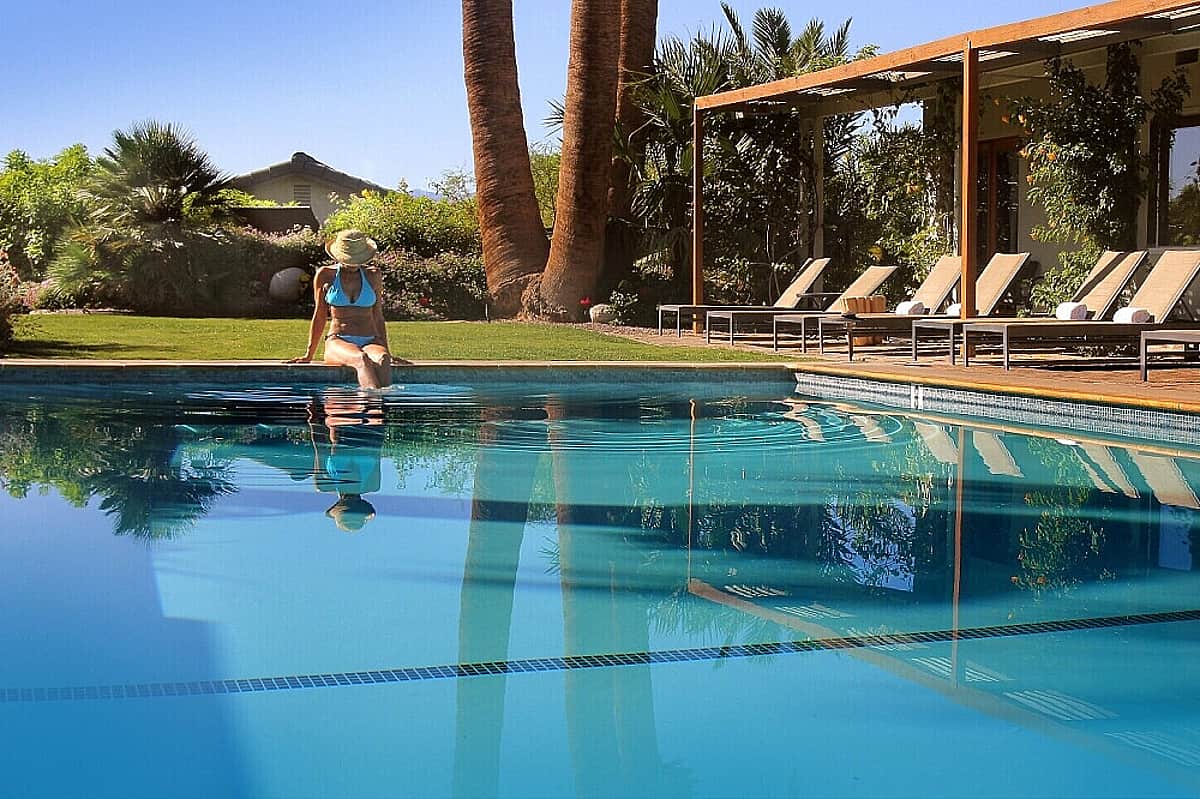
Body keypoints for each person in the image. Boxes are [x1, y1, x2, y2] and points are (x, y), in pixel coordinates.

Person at [288, 229, 393, 389]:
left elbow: (378, 315)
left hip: (370, 339)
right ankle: (374, 407)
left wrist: (387, 350)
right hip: (339, 340)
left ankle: (382, 408)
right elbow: (319, 315)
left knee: (383, 360)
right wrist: (309, 354)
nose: (352, 264)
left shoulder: (373, 275)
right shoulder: (325, 275)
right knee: (361, 359)